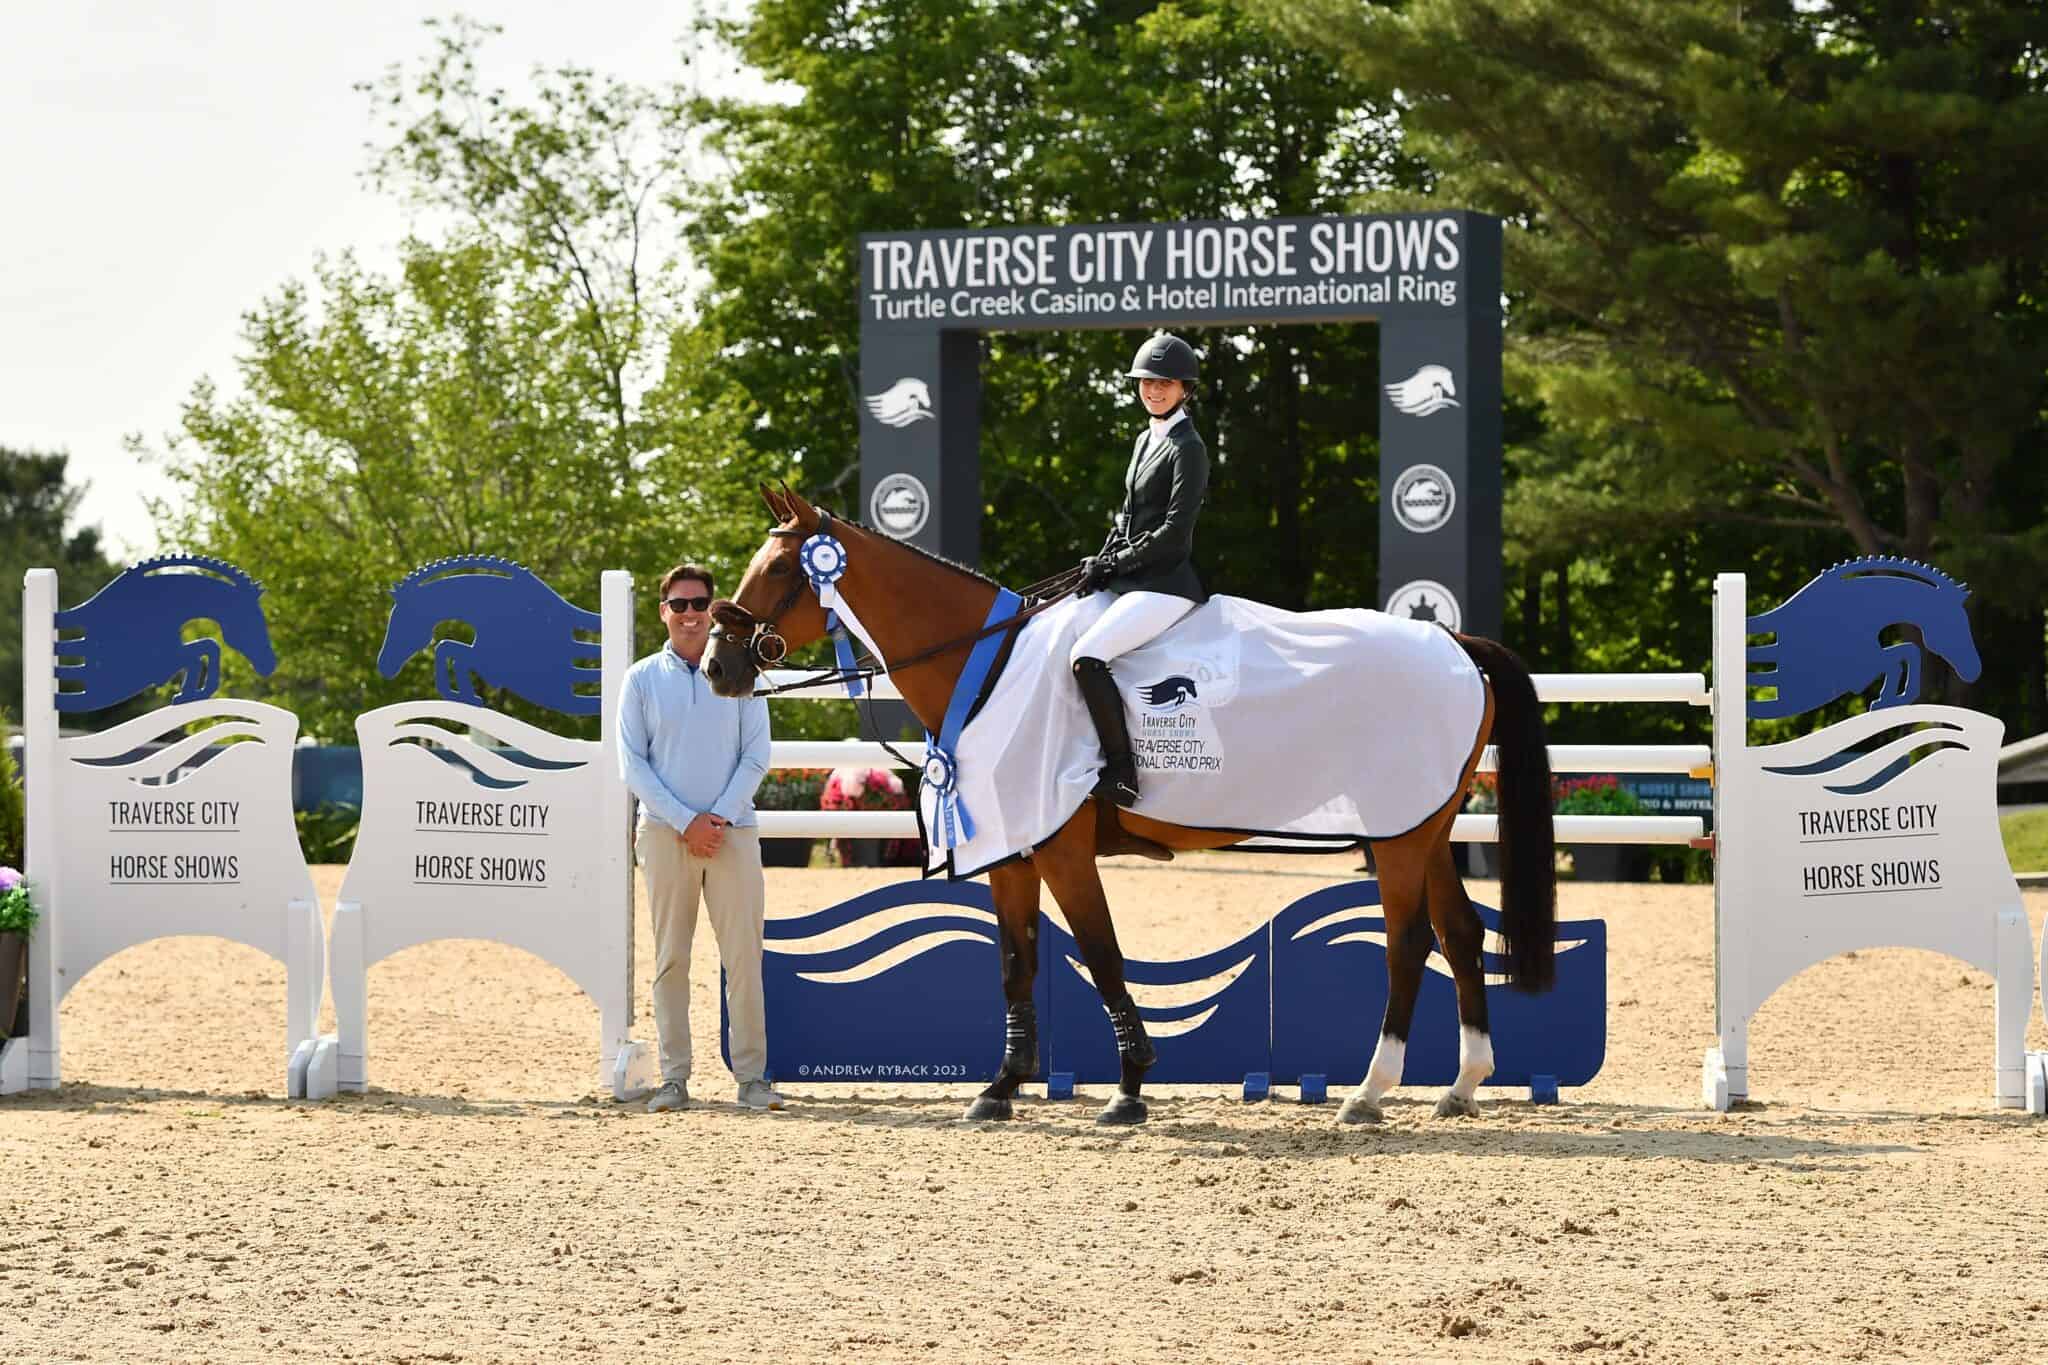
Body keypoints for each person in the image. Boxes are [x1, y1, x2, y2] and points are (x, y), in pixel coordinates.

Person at [617, 562, 783, 1113]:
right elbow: (632, 765)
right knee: (671, 959)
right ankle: (674, 1078)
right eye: (679, 604)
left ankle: (753, 1078)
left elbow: (756, 755)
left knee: (743, 957)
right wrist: (686, 821)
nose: (690, 614)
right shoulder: (640, 679)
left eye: (699, 604)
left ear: (714, 610)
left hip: (733, 835)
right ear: (663, 611)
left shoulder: (742, 675)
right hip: (665, 835)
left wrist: (719, 819)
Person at [1071, 331, 1211, 807]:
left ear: (1184, 389)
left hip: (1166, 584)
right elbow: (1128, 517)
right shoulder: (1144, 440)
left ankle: (1123, 771)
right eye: (1146, 382)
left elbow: (1175, 533)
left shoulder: (1188, 448)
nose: (1153, 390)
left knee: (1087, 655)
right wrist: (1100, 560)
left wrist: (1117, 563)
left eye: (1165, 383)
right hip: (1133, 579)